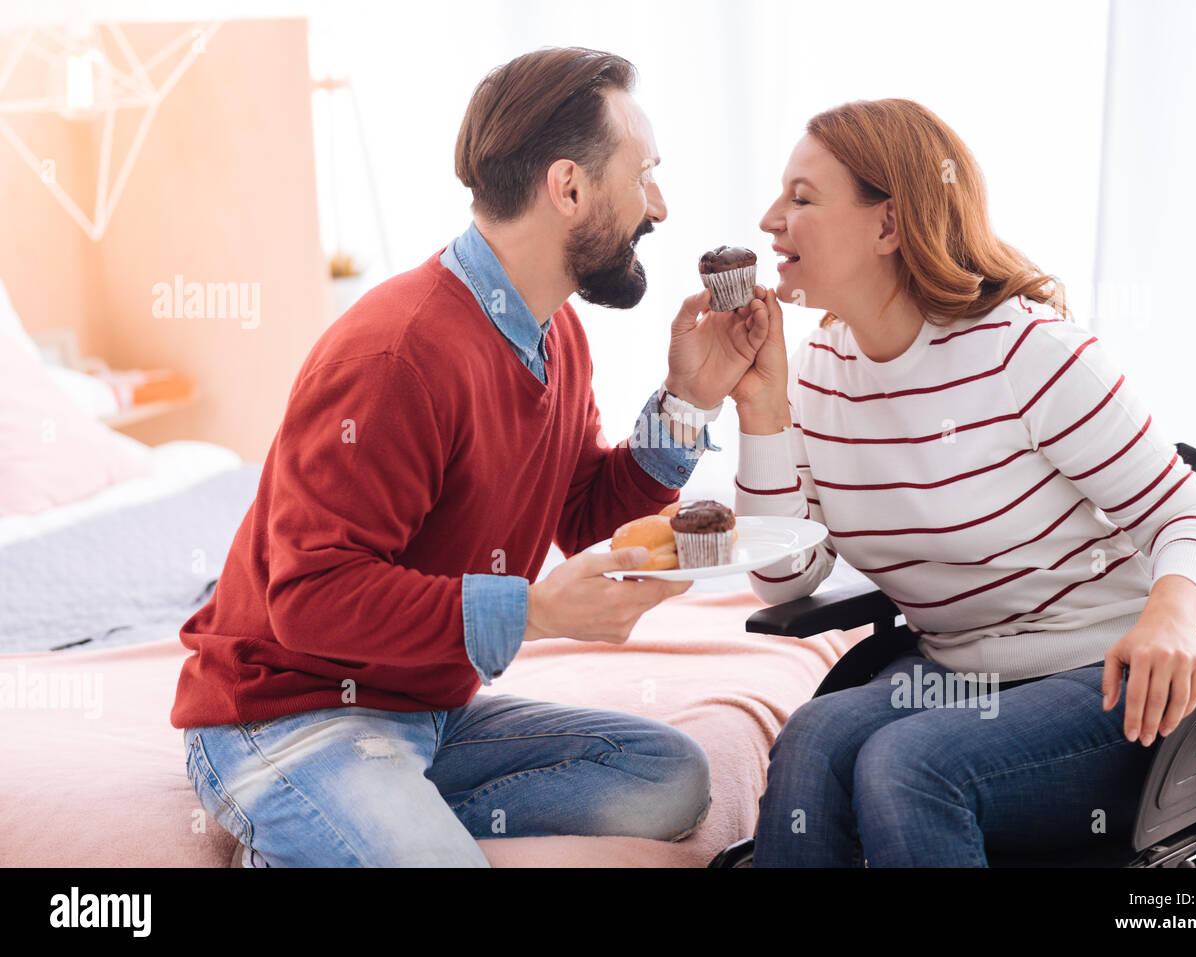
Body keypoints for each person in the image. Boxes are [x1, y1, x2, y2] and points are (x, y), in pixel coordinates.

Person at [172, 47, 773, 867]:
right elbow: (310, 597)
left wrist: (689, 402)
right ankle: (320, 825)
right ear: (568, 187)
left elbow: (581, 515)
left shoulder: (555, 333)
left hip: (425, 708)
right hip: (287, 715)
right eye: (645, 176)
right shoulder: (396, 355)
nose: (658, 205)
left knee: (666, 774)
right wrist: (537, 612)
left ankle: (362, 826)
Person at [731, 98, 1196, 867]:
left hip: (1101, 686)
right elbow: (782, 573)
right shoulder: (821, 371)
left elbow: (1188, 512)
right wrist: (762, 407)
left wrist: (1171, 612)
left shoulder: (1027, 354)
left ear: (888, 226)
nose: (771, 219)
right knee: (812, 740)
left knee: (908, 764)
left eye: (802, 199)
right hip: (956, 675)